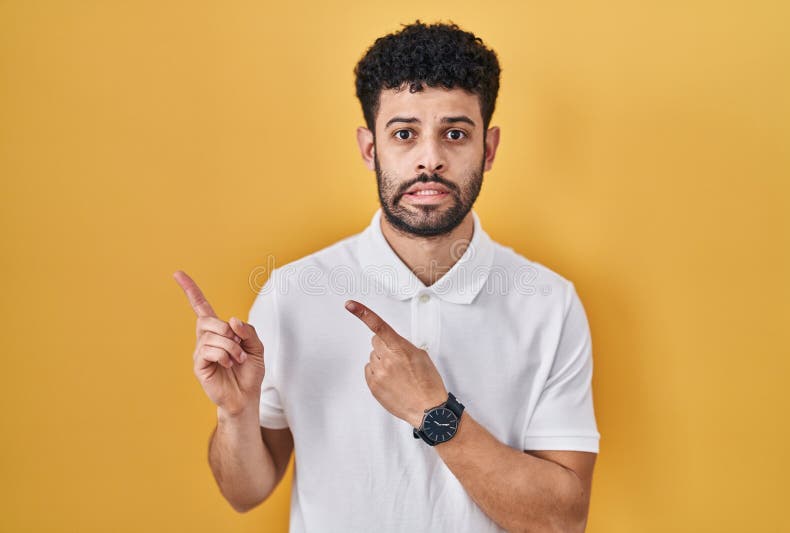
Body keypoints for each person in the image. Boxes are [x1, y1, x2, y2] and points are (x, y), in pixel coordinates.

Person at [175, 20, 600, 533]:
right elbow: (245, 494)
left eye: (455, 134)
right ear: (369, 148)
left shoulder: (548, 304)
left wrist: (434, 413)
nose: (430, 159)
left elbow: (561, 522)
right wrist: (236, 415)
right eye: (404, 134)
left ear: (488, 149)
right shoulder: (290, 295)